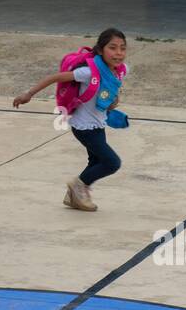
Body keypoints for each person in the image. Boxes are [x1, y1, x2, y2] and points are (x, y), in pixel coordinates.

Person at [12, 28, 130, 212]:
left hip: (98, 123)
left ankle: (74, 197)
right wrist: (28, 94)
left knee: (95, 162)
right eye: (112, 48)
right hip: (84, 126)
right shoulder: (88, 72)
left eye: (122, 48)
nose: (118, 53)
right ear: (100, 50)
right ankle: (78, 186)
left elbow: (108, 97)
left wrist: (113, 102)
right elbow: (55, 77)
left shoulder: (120, 71)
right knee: (112, 162)